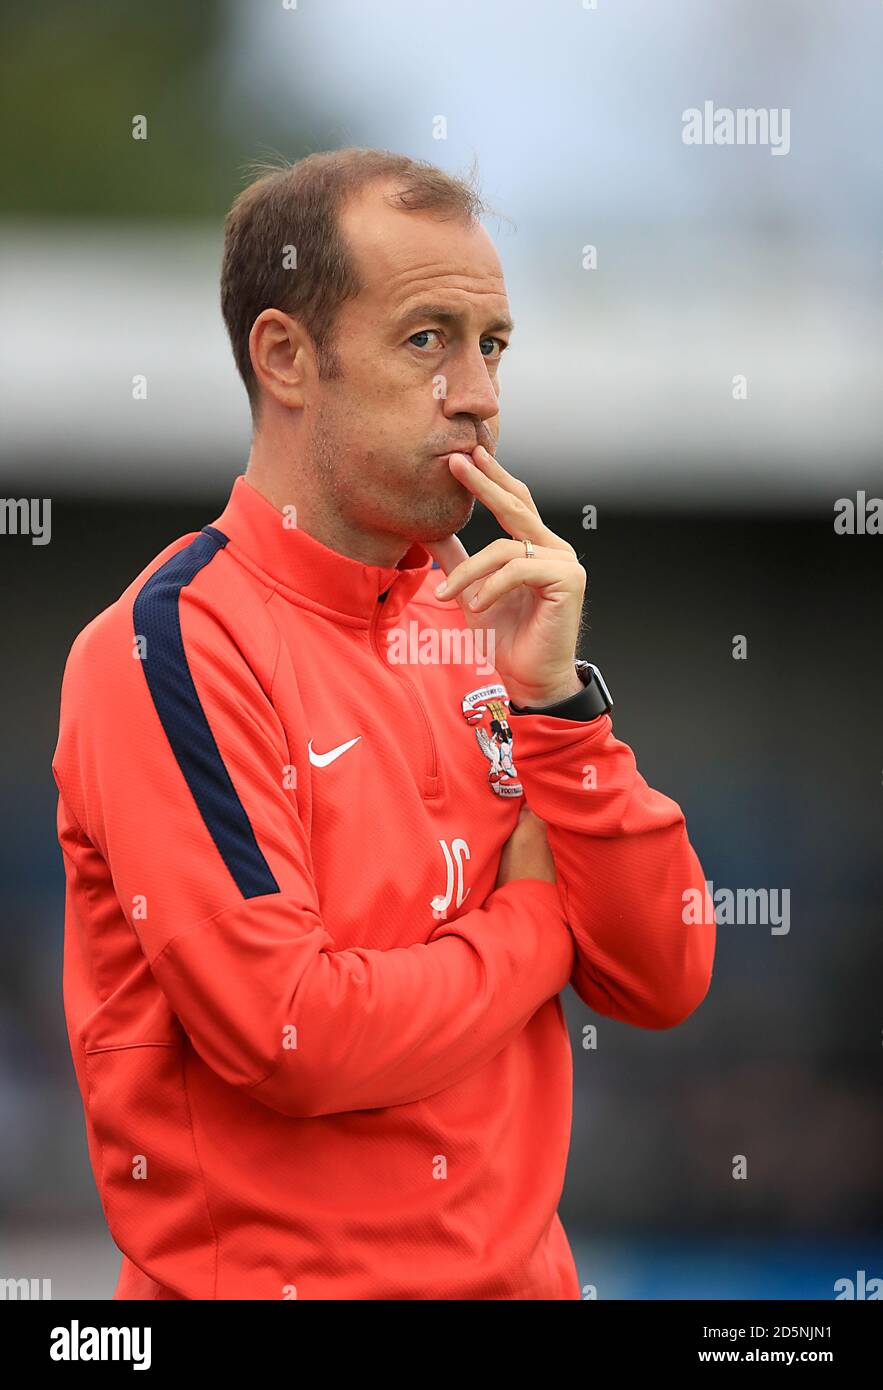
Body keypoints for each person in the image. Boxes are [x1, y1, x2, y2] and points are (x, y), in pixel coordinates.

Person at [52, 148, 715, 1300]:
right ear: (285, 356)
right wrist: (530, 922)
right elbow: (295, 1036)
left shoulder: (489, 620)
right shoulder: (168, 644)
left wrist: (561, 709)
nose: (478, 394)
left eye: (492, 344)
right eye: (427, 340)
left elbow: (663, 975)